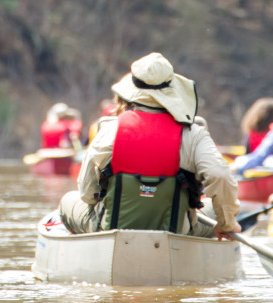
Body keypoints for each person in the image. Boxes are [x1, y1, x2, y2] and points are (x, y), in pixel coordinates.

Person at [58, 53, 239, 237]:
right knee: (213, 209)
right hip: (176, 232)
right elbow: (221, 176)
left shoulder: (110, 128)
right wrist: (227, 223)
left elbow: (86, 192)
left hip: (111, 230)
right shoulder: (194, 133)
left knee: (68, 201)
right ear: (172, 90)